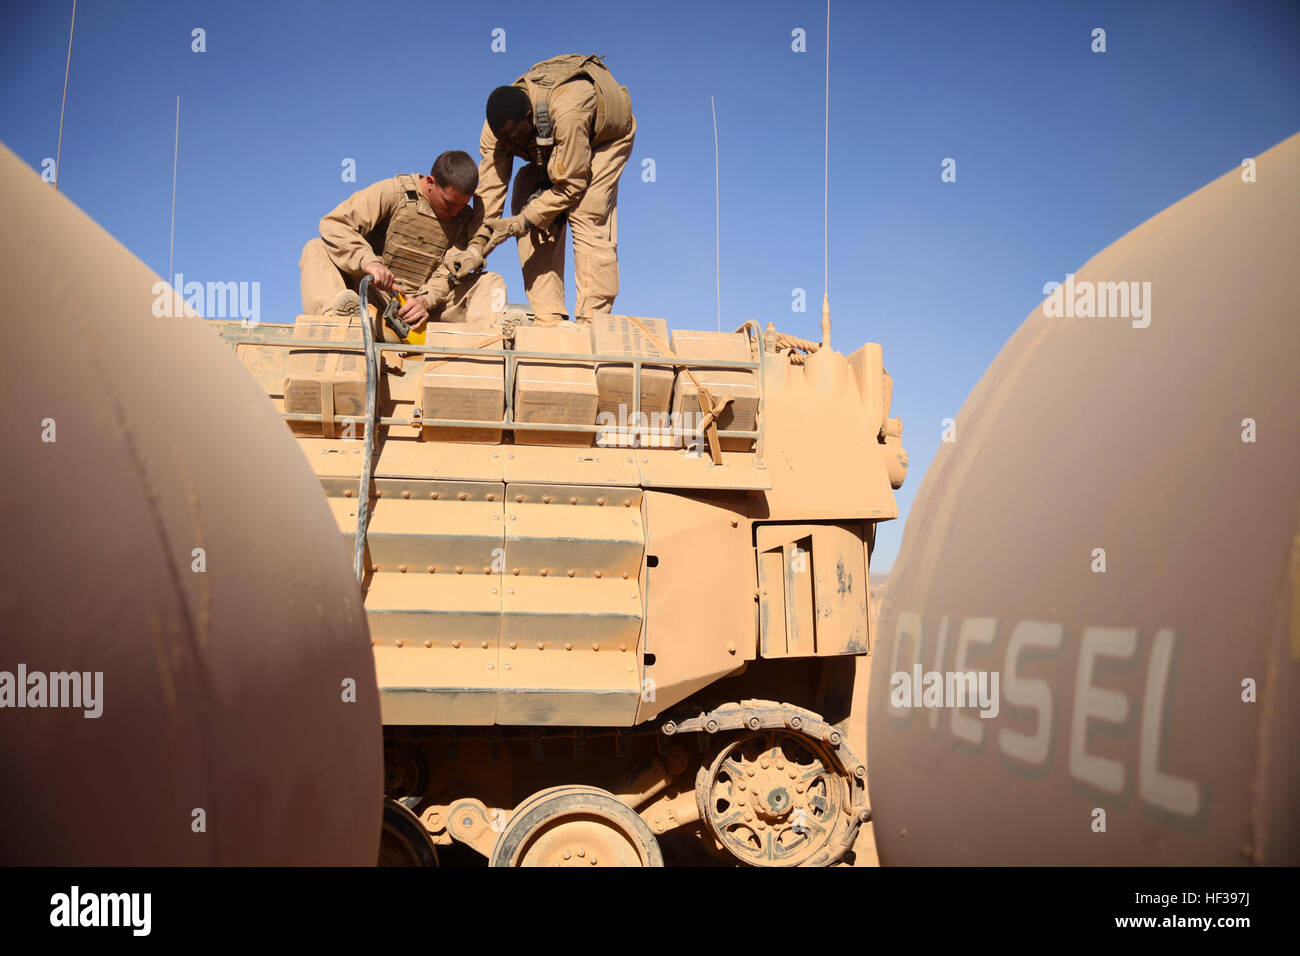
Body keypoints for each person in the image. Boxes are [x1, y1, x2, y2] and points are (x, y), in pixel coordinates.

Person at [446, 54, 635, 325]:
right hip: (550, 149)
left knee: (587, 212)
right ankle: (549, 319)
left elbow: (571, 185)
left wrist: (522, 221)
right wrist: (475, 247)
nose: (510, 149)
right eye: (505, 143)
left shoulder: (568, 108)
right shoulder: (497, 131)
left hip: (603, 139)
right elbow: (489, 194)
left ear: (530, 117)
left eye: (513, 140)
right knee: (527, 202)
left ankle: (592, 322)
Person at [299, 150, 505, 333]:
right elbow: (335, 223)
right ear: (431, 183)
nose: (455, 211)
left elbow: (449, 273)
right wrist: (369, 262)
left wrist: (425, 301)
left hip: (424, 315)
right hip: (374, 300)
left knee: (491, 281)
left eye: (462, 205)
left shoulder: (462, 218)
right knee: (316, 248)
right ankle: (336, 327)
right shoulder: (394, 193)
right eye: (449, 203)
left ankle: (487, 345)